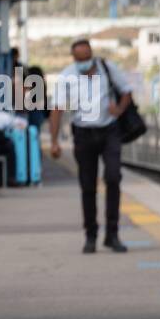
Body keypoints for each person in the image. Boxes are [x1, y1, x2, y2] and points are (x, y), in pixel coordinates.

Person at [49, 39, 132, 253]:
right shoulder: (67, 76)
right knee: (88, 186)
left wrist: (120, 109)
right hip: (83, 134)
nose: (84, 62)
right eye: (79, 59)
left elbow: (126, 91)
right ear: (73, 58)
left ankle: (112, 234)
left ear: (92, 54)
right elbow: (57, 109)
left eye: (87, 58)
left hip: (109, 131)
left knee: (113, 177)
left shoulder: (107, 68)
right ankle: (91, 235)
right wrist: (54, 141)